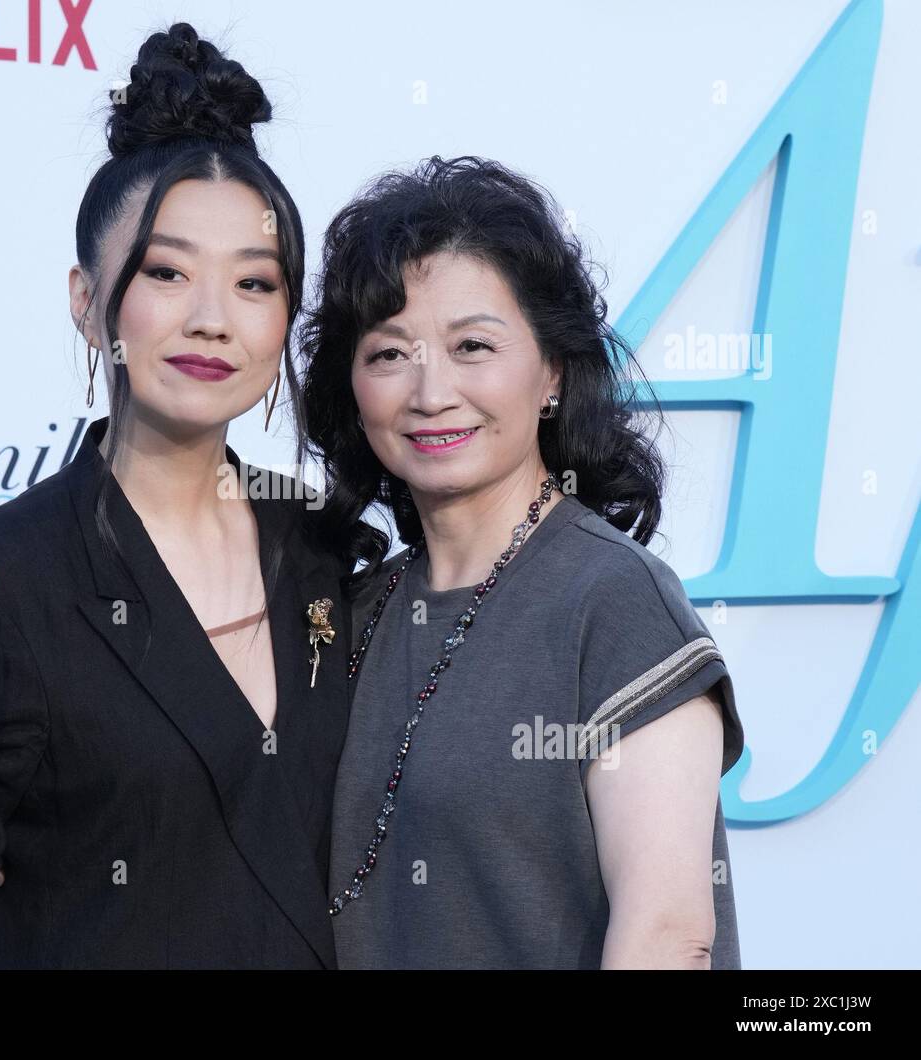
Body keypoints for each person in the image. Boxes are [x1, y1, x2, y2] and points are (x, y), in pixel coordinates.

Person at [0, 23, 353, 969]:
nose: (211, 317)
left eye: (254, 282)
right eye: (165, 272)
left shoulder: (329, 548)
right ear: (87, 302)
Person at [298, 156, 746, 969]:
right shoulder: (353, 612)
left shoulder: (613, 601)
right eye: (389, 353)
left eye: (473, 345)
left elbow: (669, 936)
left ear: (552, 371)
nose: (429, 392)